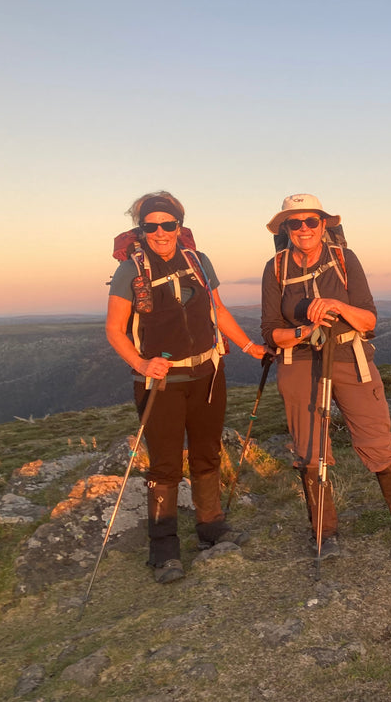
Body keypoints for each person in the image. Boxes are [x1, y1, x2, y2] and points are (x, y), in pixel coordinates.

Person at [260, 193, 391, 563]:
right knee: (309, 451)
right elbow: (270, 332)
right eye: (295, 223)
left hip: (349, 356)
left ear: (324, 224)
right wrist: (305, 331)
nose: (304, 228)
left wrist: (337, 306)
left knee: (379, 444)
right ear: (286, 228)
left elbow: (369, 320)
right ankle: (324, 534)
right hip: (299, 360)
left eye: (311, 221)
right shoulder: (275, 269)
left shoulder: (344, 259)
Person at [105, 191, 265, 584]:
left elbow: (218, 310)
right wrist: (141, 363)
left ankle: (211, 527)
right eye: (151, 226)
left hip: (208, 373)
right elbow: (114, 329)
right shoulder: (130, 270)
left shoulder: (198, 260)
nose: (160, 232)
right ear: (141, 229)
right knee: (165, 464)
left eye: (168, 224)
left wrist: (250, 347)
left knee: (208, 452)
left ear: (180, 225)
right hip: (160, 382)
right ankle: (164, 551)